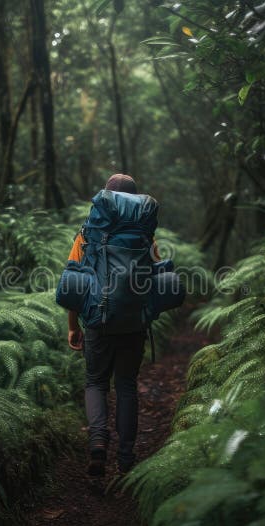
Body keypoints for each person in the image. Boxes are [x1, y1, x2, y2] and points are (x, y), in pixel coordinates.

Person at [66, 173, 160, 476]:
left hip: (97, 319)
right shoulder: (146, 233)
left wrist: (74, 325)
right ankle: (125, 457)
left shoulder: (89, 232)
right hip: (134, 322)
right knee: (126, 384)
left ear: (105, 198)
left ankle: (97, 445)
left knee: (95, 382)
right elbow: (155, 277)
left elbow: (74, 280)